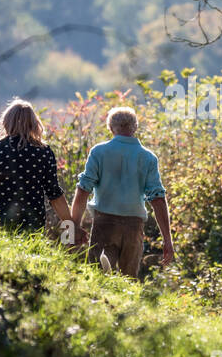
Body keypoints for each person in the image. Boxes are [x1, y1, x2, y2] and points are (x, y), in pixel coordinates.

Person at [71, 106, 173, 276]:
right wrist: (167, 240)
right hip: (133, 226)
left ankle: (102, 293)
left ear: (110, 128)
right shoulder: (148, 158)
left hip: (104, 223)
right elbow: (158, 200)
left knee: (99, 277)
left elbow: (83, 191)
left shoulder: (99, 152)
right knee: (129, 280)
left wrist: (74, 225)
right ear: (135, 127)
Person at [0, 98, 78, 236]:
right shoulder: (43, 152)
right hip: (33, 227)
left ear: (5, 122)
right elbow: (54, 195)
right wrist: (71, 229)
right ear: (34, 124)